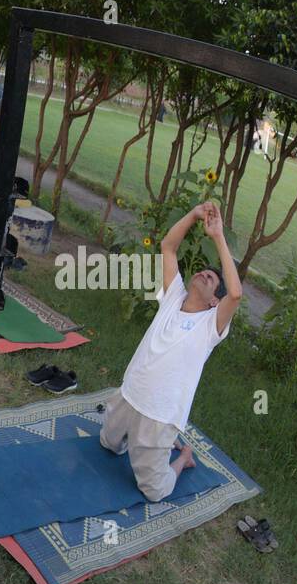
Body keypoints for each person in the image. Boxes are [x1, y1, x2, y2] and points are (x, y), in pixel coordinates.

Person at [100, 202, 241, 501]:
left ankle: (182, 459)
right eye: (203, 271)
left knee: (154, 491)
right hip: (129, 394)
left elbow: (237, 294)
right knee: (108, 445)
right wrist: (193, 214)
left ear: (216, 301)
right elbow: (168, 246)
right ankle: (131, 440)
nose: (203, 274)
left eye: (211, 279)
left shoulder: (210, 326)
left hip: (160, 415)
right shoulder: (173, 296)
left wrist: (217, 236)